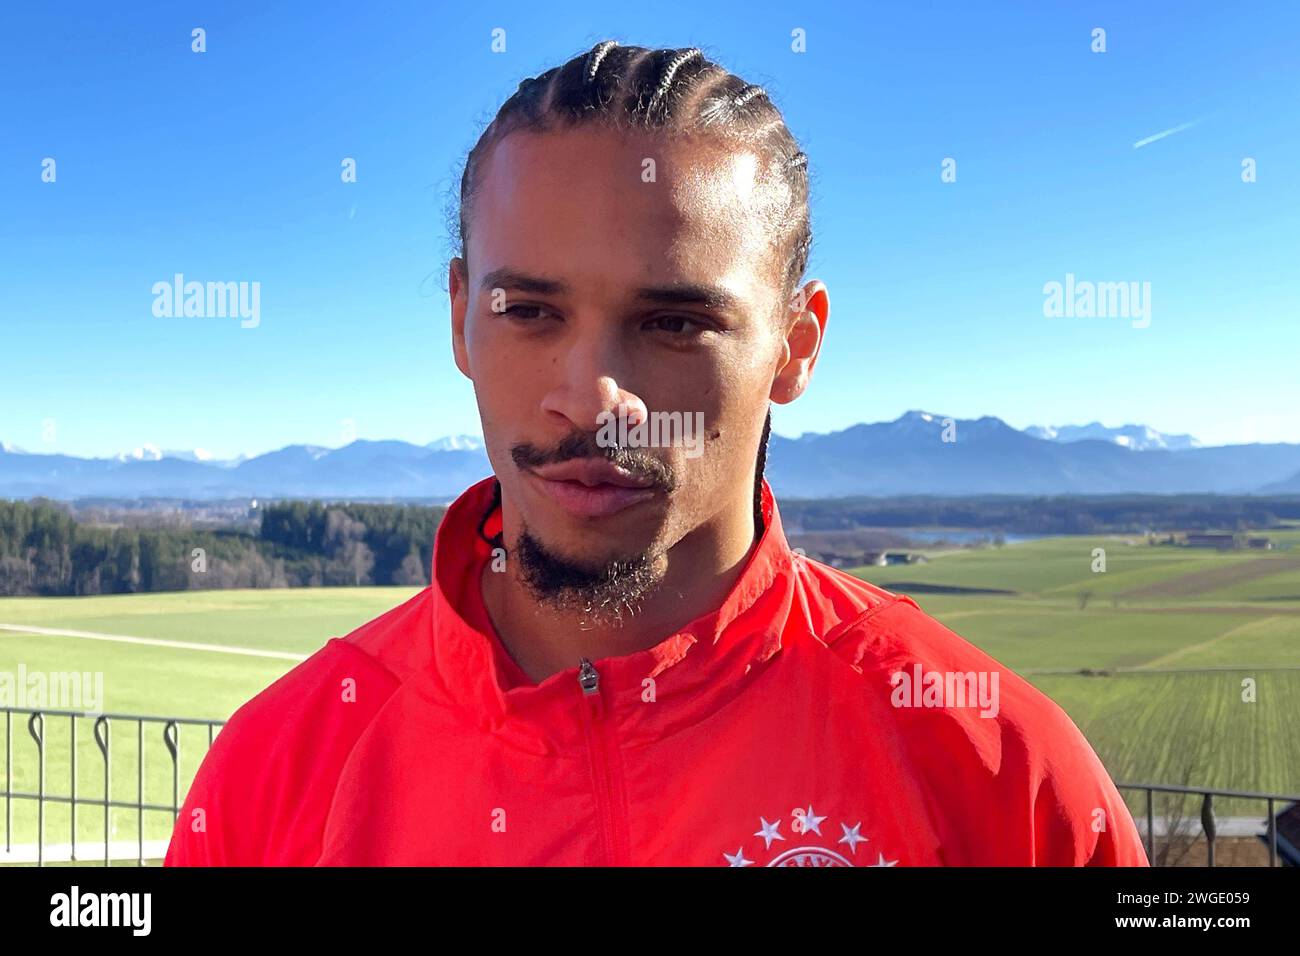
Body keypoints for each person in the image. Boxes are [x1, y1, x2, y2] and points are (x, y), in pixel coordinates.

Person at [164, 40, 1147, 866]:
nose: (593, 395)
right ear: (462, 319)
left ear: (795, 346)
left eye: (675, 321)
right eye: (530, 310)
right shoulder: (277, 776)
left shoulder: (995, 769)